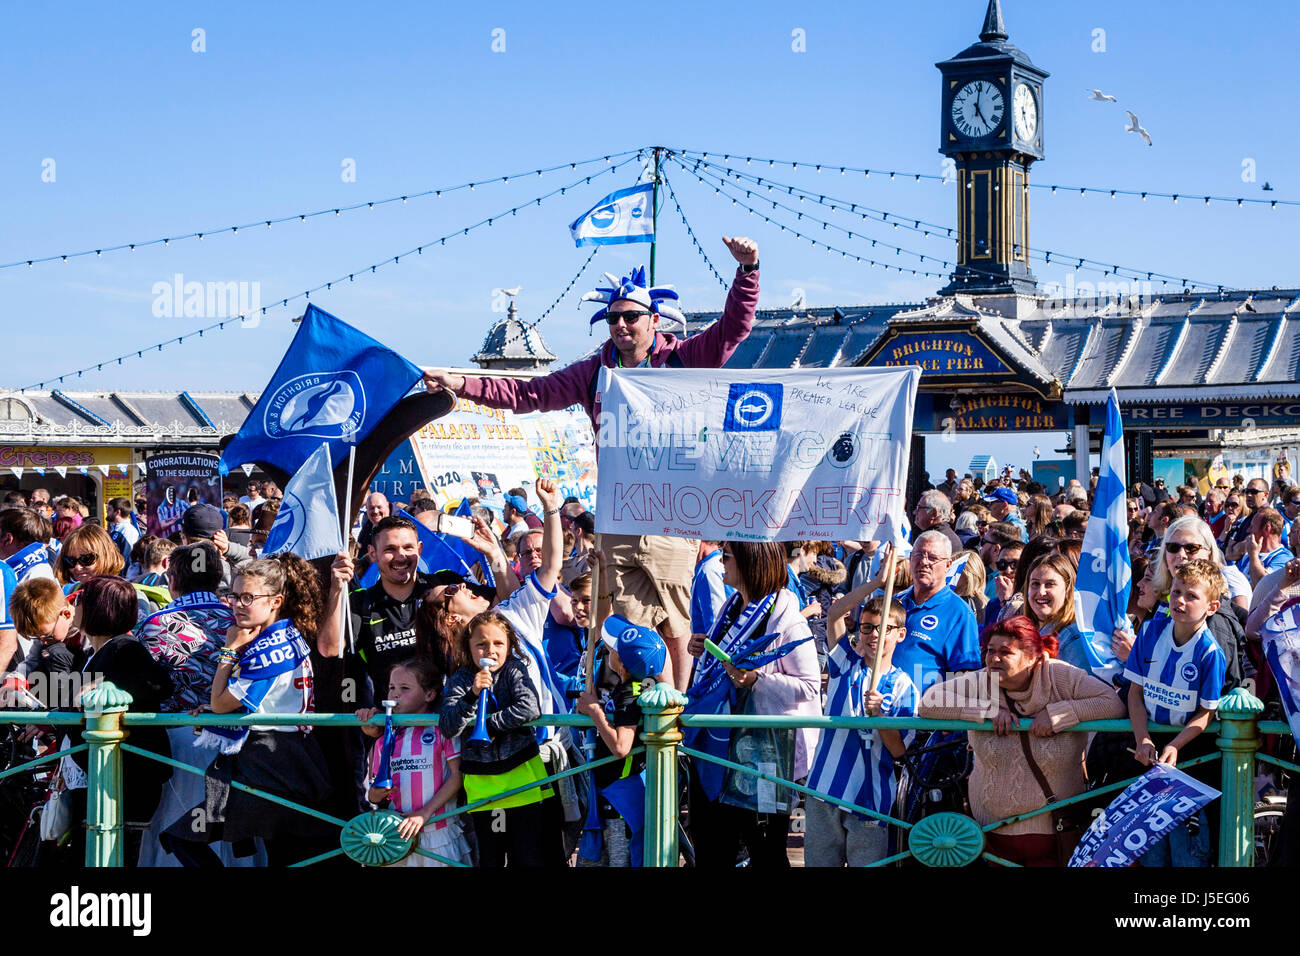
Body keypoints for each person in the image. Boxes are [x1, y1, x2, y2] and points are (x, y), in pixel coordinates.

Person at [424, 239, 761, 693]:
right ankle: (632, 703)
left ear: (653, 321)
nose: (620, 325)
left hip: (675, 514)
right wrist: (461, 383)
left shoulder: (682, 357)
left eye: (631, 317)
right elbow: (531, 395)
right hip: (620, 512)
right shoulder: (594, 371)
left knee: (676, 621)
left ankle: (673, 713)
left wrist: (748, 271)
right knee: (615, 623)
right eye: (613, 318)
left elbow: (733, 331)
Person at [920, 616, 1125, 866]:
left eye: (1005, 652)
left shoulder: (1060, 675)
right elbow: (928, 703)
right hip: (991, 835)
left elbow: (1112, 703)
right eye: (990, 651)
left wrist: (1059, 714)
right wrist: (985, 711)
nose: (994, 658)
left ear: (1032, 656)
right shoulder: (984, 679)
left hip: (1055, 833)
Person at [181, 555, 335, 867]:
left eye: (248, 597)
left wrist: (229, 650)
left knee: (284, 856)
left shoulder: (269, 649)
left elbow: (221, 703)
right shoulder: (285, 634)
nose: (238, 604)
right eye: (234, 596)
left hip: (273, 760)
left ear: (276, 600)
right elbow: (225, 705)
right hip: (281, 758)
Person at [685, 540, 819, 869]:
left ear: (749, 563)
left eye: (726, 556)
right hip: (721, 747)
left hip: (763, 752)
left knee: (764, 854)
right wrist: (703, 649)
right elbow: (719, 667)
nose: (720, 563)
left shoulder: (788, 619)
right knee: (714, 844)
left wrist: (756, 680)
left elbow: (809, 687)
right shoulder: (731, 608)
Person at [1124, 560, 1227, 867]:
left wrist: (1175, 746)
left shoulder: (1211, 653)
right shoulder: (1151, 631)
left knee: (1188, 853)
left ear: (1212, 606)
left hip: (1190, 756)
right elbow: (1135, 694)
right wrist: (1143, 739)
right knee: (1151, 853)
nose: (1180, 600)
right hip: (1149, 751)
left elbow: (1205, 713)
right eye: (1177, 591)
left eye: (1191, 595)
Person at [67, 574, 175, 865]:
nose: (73, 606)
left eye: (78, 600)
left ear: (98, 608)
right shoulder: (93, 652)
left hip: (127, 779)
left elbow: (158, 684)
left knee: (118, 855)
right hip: (105, 774)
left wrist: (110, 687)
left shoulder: (125, 647)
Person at [440, 610, 559, 867]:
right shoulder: (460, 679)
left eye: (498, 644)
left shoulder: (514, 669)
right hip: (483, 786)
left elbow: (529, 708)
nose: (490, 651)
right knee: (491, 858)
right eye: (481, 645)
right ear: (468, 647)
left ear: (509, 645)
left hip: (522, 780)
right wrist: (472, 694)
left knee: (527, 857)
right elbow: (448, 725)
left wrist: (488, 725)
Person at [804, 594, 916, 867]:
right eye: (867, 627)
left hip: (870, 800)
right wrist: (877, 582)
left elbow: (899, 750)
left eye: (884, 629)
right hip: (824, 789)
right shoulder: (844, 664)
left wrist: (880, 717)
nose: (874, 634)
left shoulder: (905, 686)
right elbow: (834, 614)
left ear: (900, 634)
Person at [357, 657, 470, 867]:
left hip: (437, 833)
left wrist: (424, 813)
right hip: (396, 837)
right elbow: (373, 793)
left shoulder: (442, 729)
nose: (395, 694)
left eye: (405, 688)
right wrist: (377, 793)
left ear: (429, 694)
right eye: (391, 687)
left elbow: (457, 776)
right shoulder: (383, 738)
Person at [575, 619, 667, 867]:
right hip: (621, 789)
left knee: (620, 859)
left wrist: (595, 712)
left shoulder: (629, 693)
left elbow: (621, 747)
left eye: (614, 651)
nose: (609, 652)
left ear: (623, 665)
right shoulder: (643, 684)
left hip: (621, 794)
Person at [893, 530, 981, 693]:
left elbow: (967, 677)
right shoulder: (894, 602)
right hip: (878, 711)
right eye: (919, 555)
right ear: (910, 559)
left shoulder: (959, 613)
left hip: (922, 714)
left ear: (948, 565)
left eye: (932, 558)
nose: (924, 562)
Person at [1238, 507, 1294, 588]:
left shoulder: (1284, 557)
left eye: (1252, 526)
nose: (1248, 530)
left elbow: (1263, 585)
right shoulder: (1248, 554)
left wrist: (1253, 556)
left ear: (1267, 528)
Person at [106, 497, 140, 565]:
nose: (107, 511)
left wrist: (122, 574)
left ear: (118, 512)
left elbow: (126, 557)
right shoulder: (115, 529)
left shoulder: (127, 530)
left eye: (109, 509)